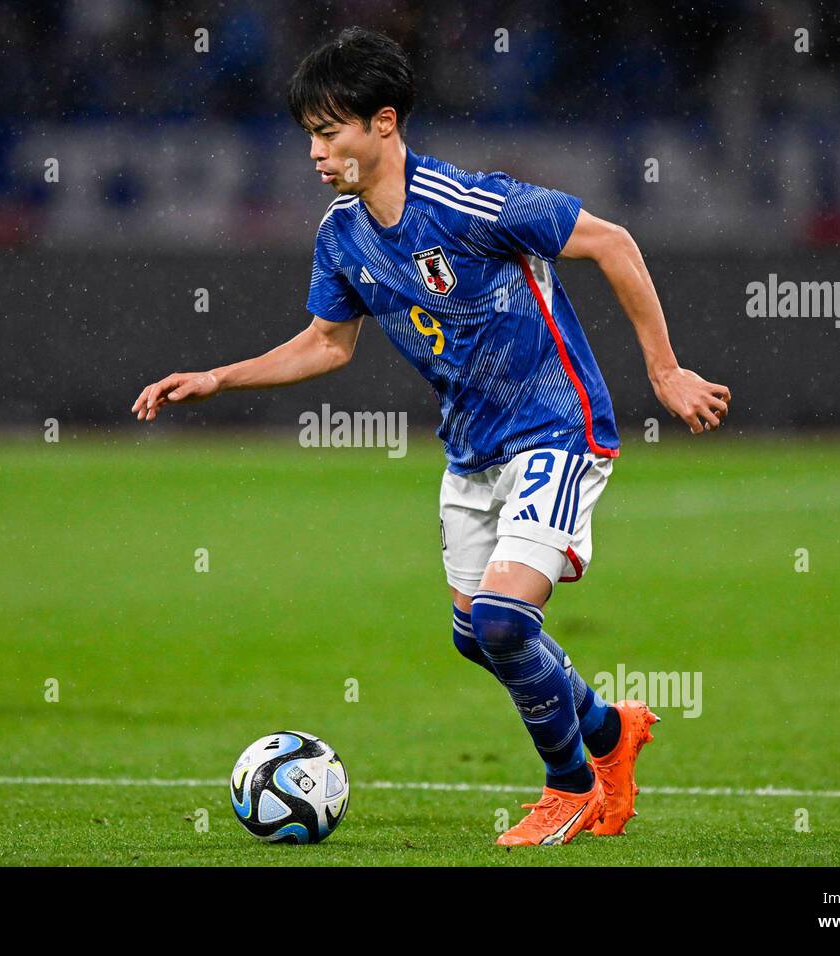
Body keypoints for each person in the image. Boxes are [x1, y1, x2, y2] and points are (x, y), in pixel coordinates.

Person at [133, 27, 730, 846]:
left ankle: (570, 787)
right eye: (309, 131)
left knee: (501, 623)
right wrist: (218, 377)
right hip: (471, 452)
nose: (315, 149)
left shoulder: (471, 203)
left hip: (557, 429)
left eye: (329, 129)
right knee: (473, 635)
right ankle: (607, 732)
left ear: (384, 124)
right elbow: (327, 343)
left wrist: (664, 374)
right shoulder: (341, 234)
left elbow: (613, 243)